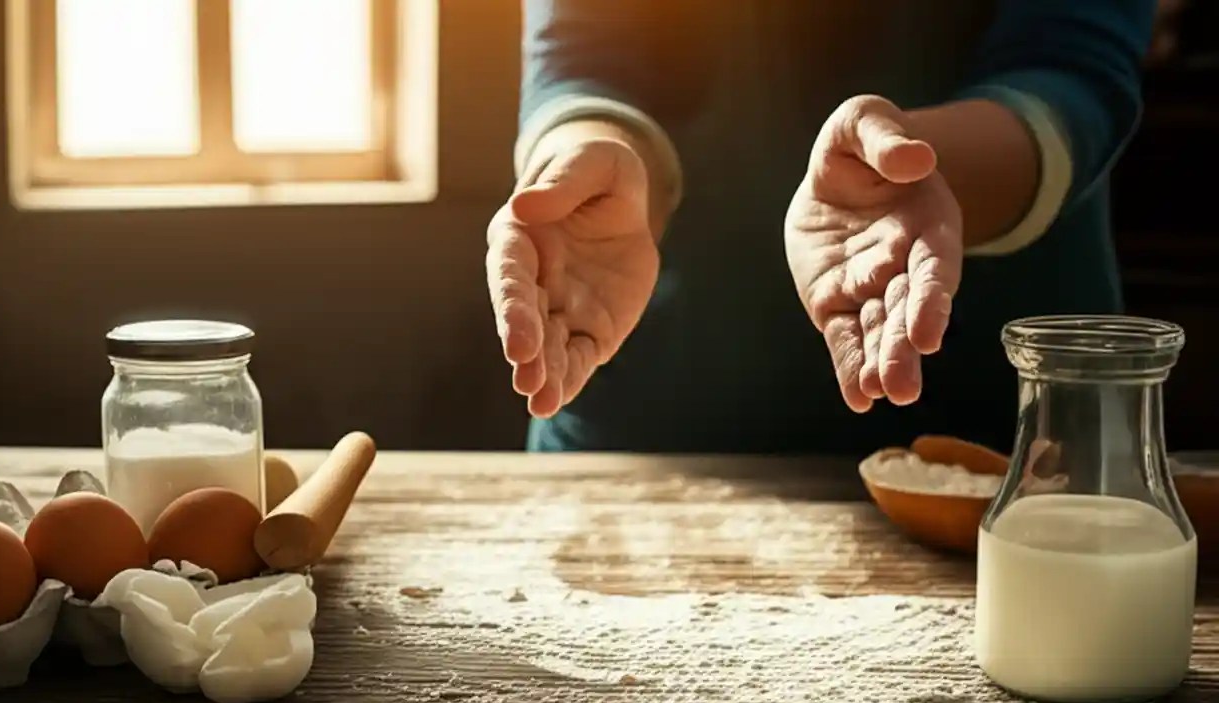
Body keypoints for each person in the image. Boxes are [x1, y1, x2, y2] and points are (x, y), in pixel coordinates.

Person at [485, 1, 1157, 455]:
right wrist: (582, 158)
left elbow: (1075, 62)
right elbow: (582, 50)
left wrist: (916, 163)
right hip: (653, 422)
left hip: (1006, 424)